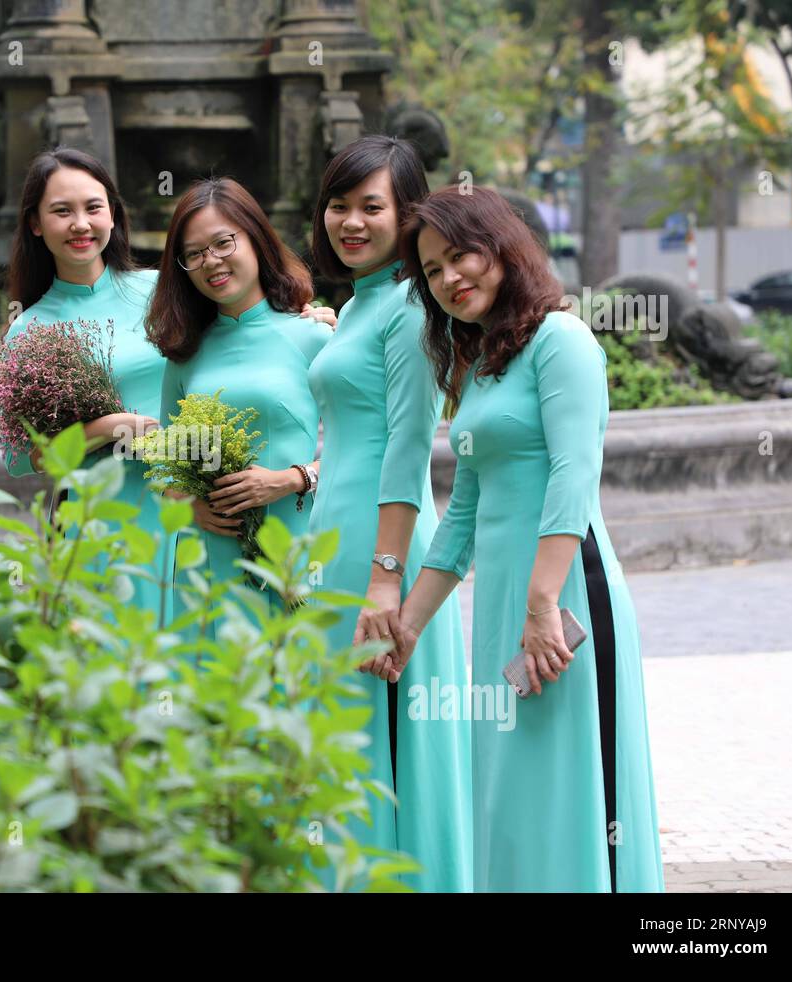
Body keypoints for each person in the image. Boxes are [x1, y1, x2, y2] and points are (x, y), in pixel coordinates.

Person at [389, 185, 663, 892]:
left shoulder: (561, 340)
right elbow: (464, 517)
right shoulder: (481, 368)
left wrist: (543, 605)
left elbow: (574, 475)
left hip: (566, 596)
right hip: (507, 609)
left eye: (461, 256)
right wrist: (405, 629)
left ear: (502, 249)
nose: (450, 279)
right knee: (509, 792)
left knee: (573, 787)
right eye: (432, 271)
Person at [306, 136, 472, 892]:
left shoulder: (410, 308)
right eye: (339, 205)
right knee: (346, 741)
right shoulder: (361, 303)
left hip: (382, 549)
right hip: (338, 543)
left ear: (410, 215)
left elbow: (409, 450)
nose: (351, 221)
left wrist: (386, 579)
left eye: (371, 207)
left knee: (389, 743)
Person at [146, 177, 334, 633]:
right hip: (210, 559)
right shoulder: (185, 353)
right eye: (193, 254)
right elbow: (166, 468)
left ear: (255, 237)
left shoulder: (313, 336)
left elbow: (365, 447)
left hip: (295, 546)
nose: (211, 261)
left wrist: (293, 478)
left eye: (222, 242)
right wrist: (188, 505)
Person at [0, 147, 173, 622]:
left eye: (93, 208)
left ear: (113, 216)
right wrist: (109, 427)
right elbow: (23, 458)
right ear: (35, 224)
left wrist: (305, 317)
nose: (81, 224)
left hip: (189, 501)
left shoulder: (164, 291)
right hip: (101, 516)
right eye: (62, 211)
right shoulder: (30, 330)